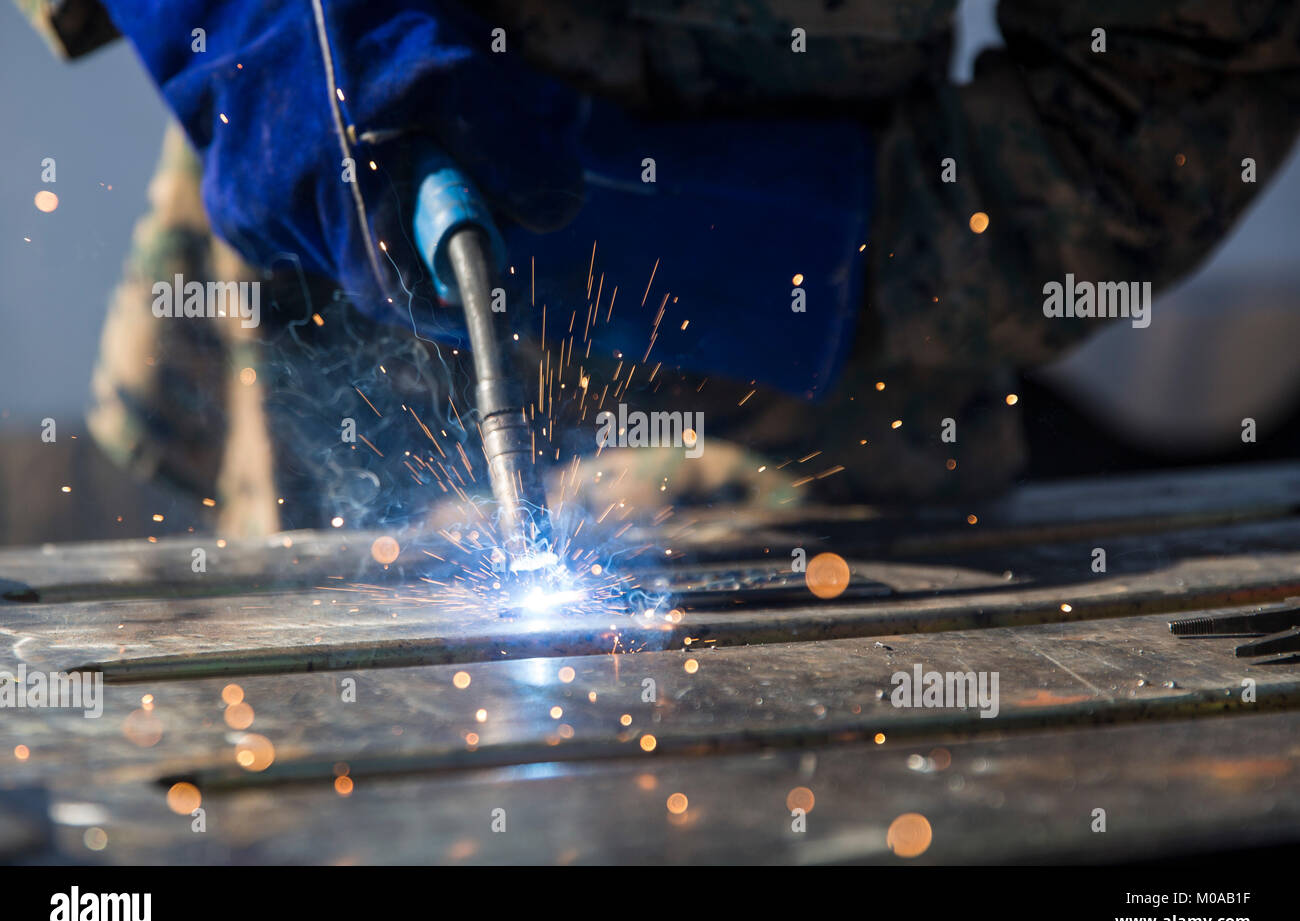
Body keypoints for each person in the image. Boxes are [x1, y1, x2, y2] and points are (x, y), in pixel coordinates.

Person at [20, 0, 1300, 534]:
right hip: (305, 356)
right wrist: (248, 35)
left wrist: (768, 252)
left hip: (812, 452)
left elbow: (1167, 92)